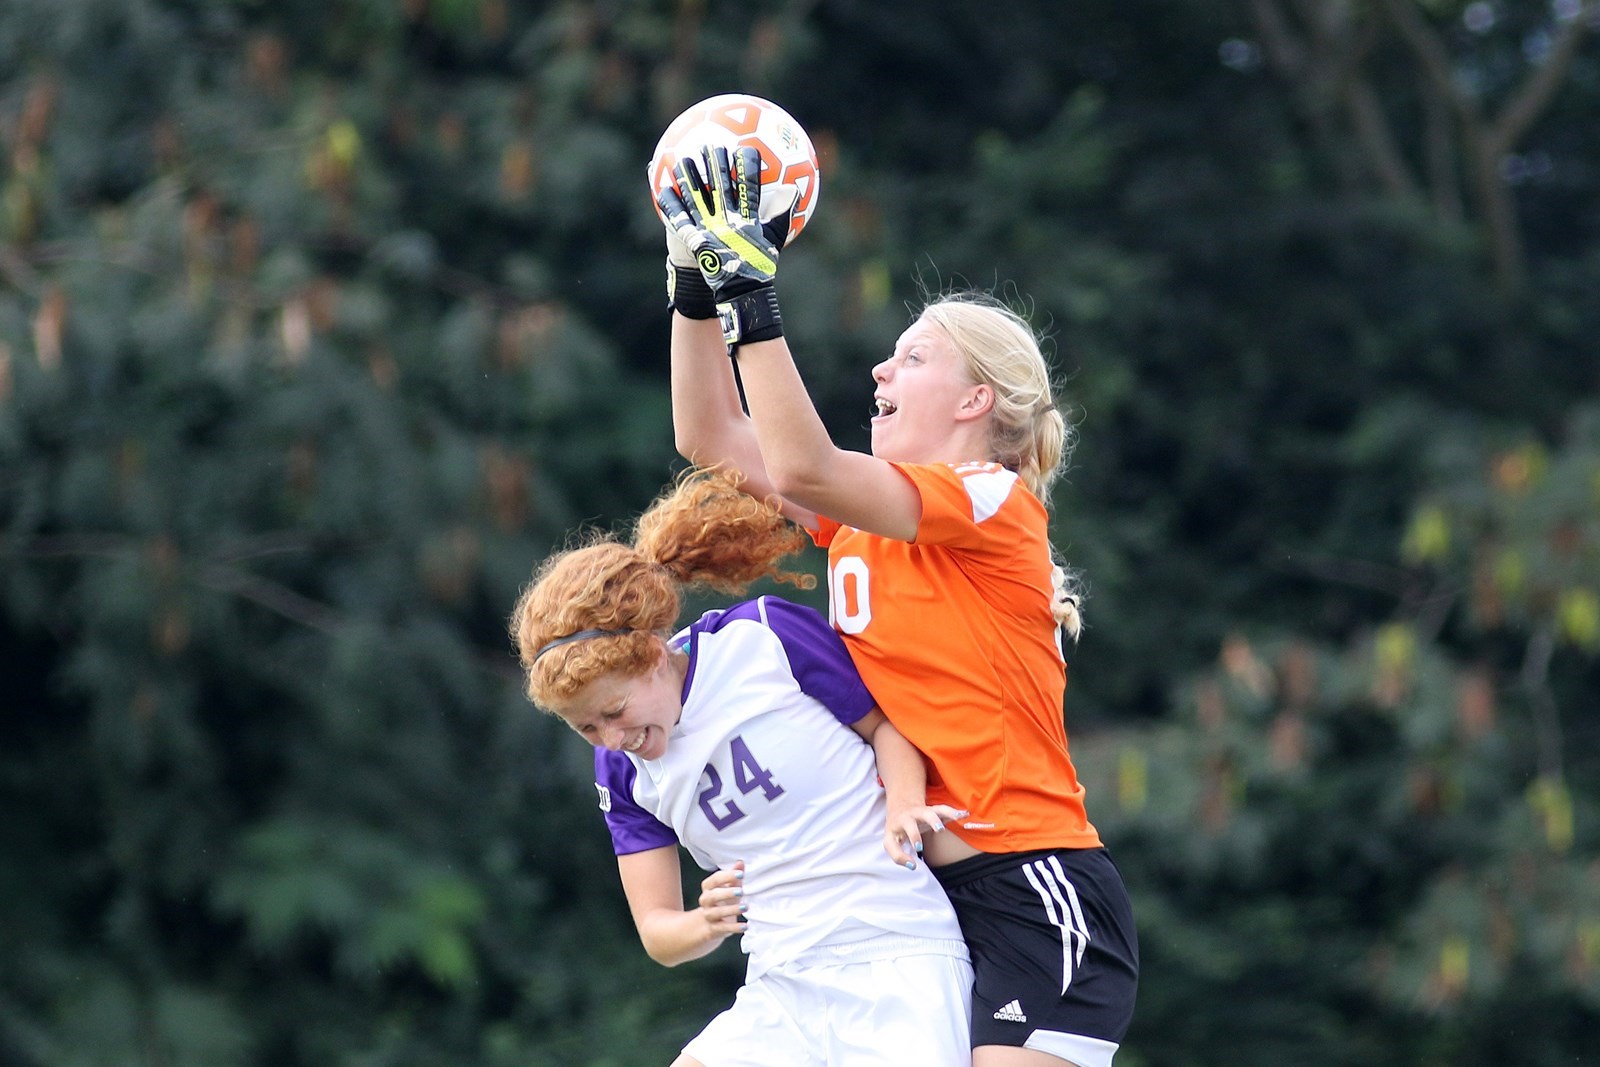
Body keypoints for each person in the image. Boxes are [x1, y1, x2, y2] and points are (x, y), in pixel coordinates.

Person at [657, 146, 1139, 1067]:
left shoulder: (994, 498)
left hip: (1037, 890)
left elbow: (801, 465)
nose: (881, 367)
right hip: (917, 899)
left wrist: (753, 299)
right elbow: (707, 433)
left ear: (975, 399)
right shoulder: (859, 526)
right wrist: (692, 281)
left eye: (911, 355)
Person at [509, 467, 975, 1067]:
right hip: (782, 985)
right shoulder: (620, 773)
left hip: (899, 953)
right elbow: (657, 932)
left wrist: (907, 803)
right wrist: (702, 924)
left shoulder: (763, 638)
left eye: (615, 712)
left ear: (654, 654)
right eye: (587, 729)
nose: (612, 738)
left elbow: (885, 725)